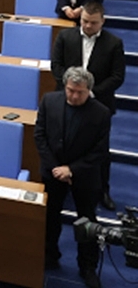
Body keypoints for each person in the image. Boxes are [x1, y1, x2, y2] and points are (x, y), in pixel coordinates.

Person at [35, 67, 111, 287]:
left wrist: (71, 170)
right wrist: (56, 169)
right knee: (50, 216)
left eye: (80, 92)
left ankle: (87, 266)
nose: (75, 96)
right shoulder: (49, 101)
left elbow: (99, 151)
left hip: (84, 176)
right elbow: (40, 136)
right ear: (65, 86)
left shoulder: (101, 113)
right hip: (53, 172)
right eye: (70, 90)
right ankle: (50, 255)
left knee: (87, 221)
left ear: (89, 90)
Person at [50, 3, 125, 212]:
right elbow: (56, 66)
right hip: (67, 99)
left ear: (102, 21)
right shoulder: (65, 36)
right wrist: (71, 90)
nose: (88, 26)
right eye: (84, 21)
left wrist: (90, 93)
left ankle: (103, 190)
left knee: (100, 150)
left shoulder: (114, 43)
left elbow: (117, 77)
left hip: (98, 103)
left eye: (93, 22)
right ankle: (63, 183)